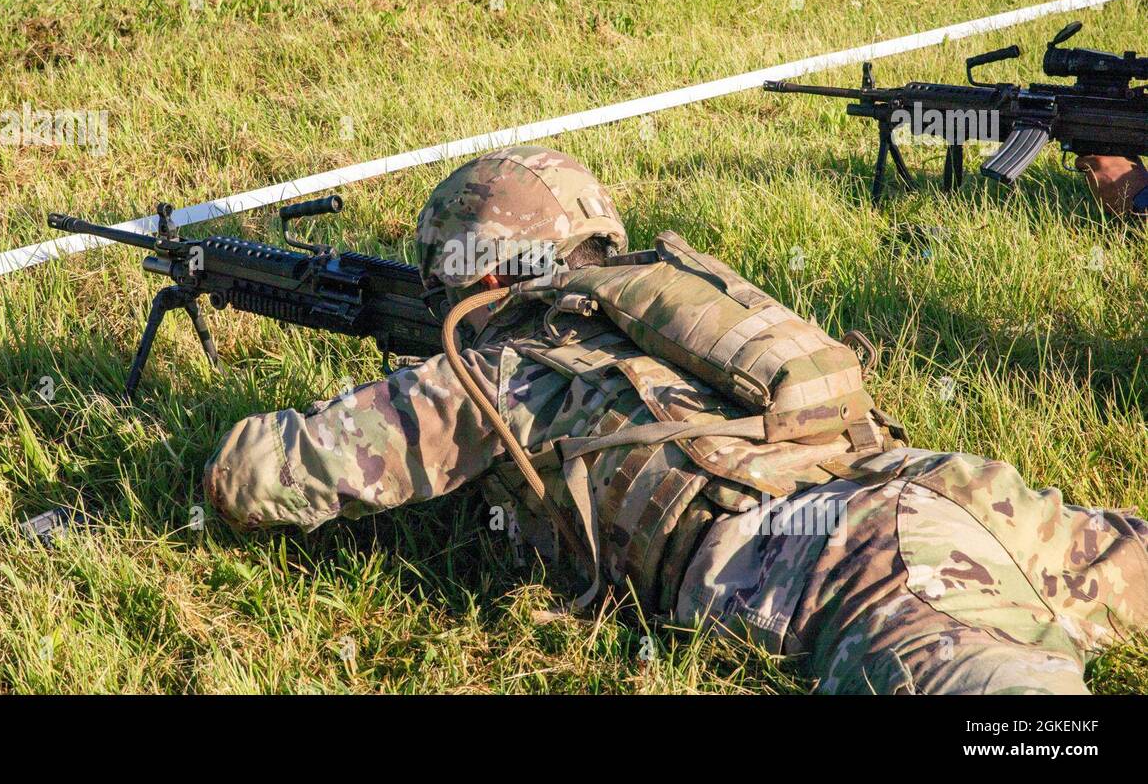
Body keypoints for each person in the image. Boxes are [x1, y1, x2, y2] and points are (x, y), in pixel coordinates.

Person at [204, 146, 1147, 694]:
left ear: (476, 278)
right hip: (936, 481)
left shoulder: (493, 370)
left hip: (843, 552)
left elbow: (258, 481)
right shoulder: (668, 302)